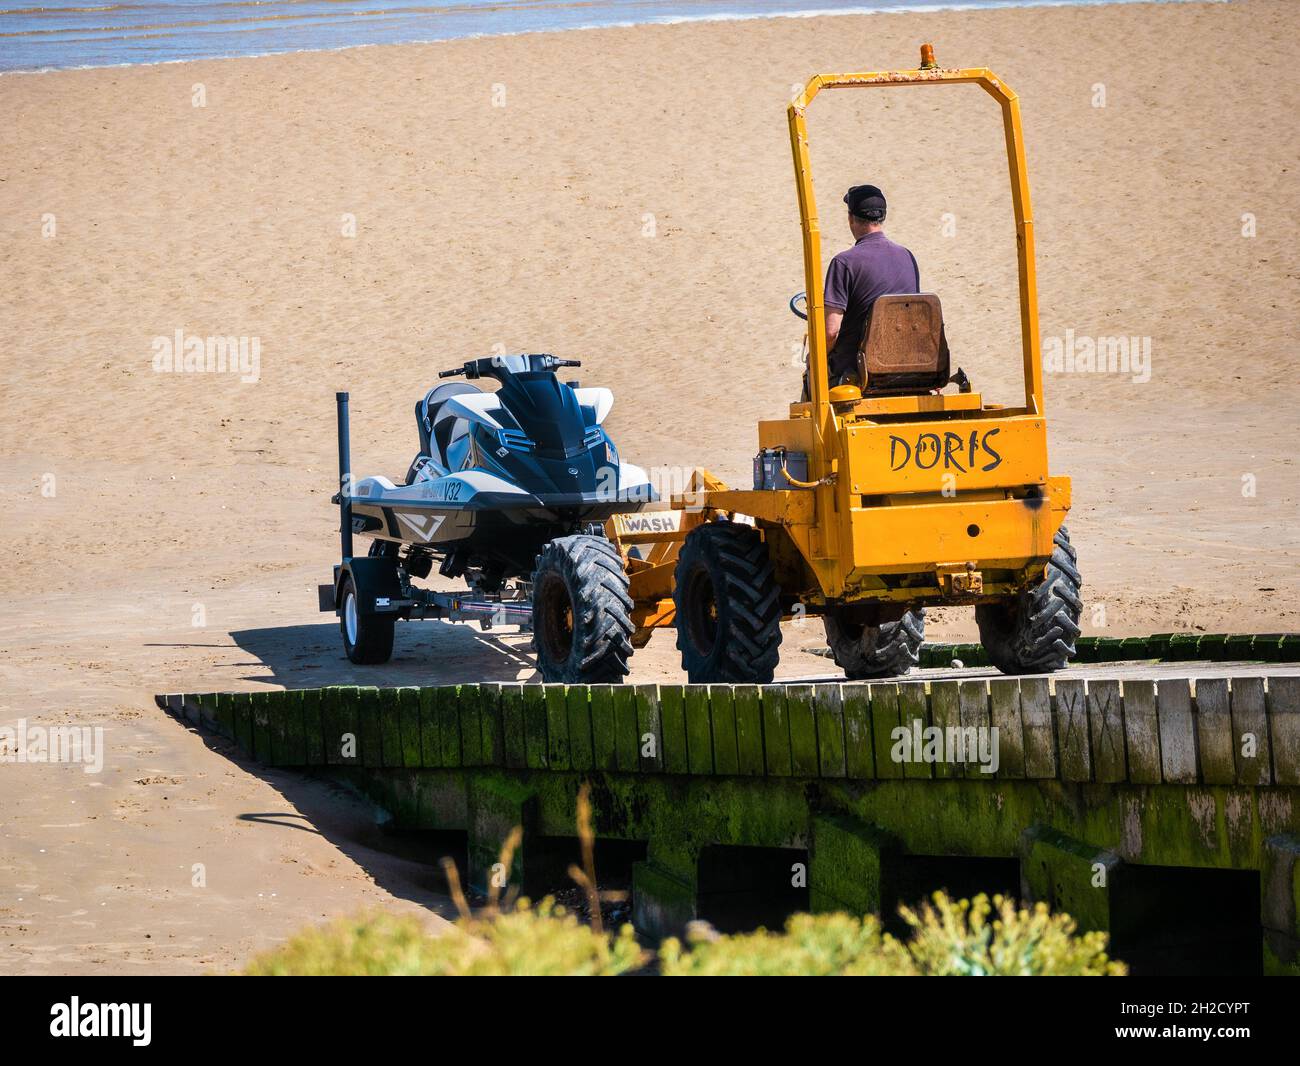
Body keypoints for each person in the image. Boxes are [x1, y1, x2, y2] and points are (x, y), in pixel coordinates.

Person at [821, 184, 921, 386]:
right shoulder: (907, 257)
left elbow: (831, 331)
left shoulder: (843, 263)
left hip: (855, 373)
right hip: (906, 368)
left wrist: (815, 358)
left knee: (813, 374)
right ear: (882, 218)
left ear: (850, 218)